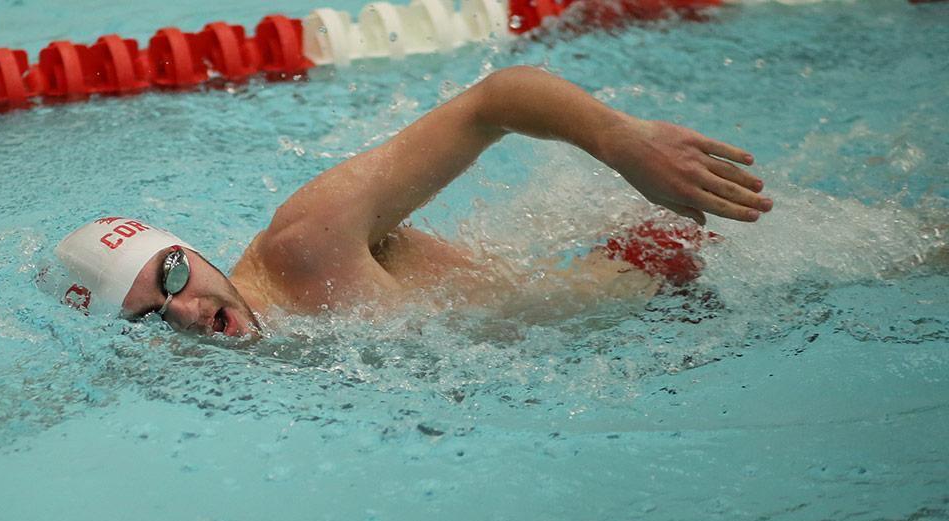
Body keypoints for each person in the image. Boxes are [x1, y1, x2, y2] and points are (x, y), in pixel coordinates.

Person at [55, 66, 772, 338]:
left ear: (191, 249)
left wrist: (622, 141)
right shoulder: (255, 357)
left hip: (680, 258)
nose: (182, 313)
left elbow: (494, 102)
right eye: (148, 319)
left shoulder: (306, 246)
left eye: (173, 275)